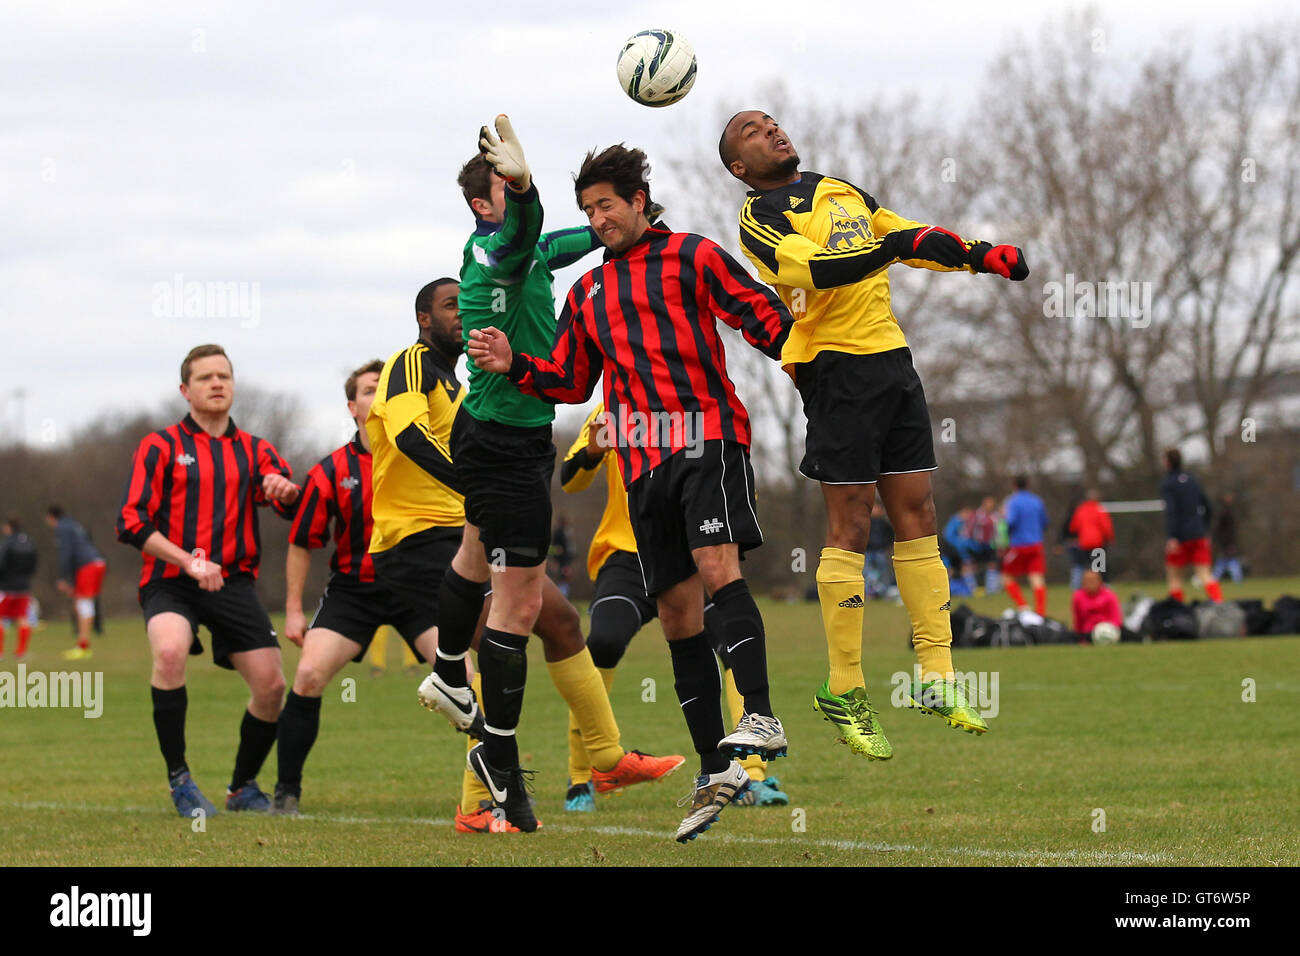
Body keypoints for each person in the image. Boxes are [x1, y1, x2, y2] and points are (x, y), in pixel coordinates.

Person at [469, 143, 794, 843]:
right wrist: (514, 362)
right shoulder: (588, 292)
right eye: (587, 210)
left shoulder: (694, 258)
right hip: (643, 465)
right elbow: (570, 379)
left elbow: (757, 315)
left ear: (639, 202)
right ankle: (714, 770)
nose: (598, 219)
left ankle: (760, 714)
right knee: (678, 616)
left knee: (716, 570)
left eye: (606, 205)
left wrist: (813, 361)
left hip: (706, 437)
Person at [719, 110, 1026, 756]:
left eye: (772, 121)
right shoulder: (759, 217)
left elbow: (906, 234)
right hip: (835, 369)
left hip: (892, 362)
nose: (772, 129)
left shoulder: (840, 190)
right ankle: (845, 688)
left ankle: (937, 675)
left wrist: (978, 256)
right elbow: (811, 272)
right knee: (853, 526)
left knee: (918, 512)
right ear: (739, 167)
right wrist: (888, 249)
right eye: (752, 130)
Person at [421, 121, 678, 834]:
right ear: (485, 205)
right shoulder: (496, 249)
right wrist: (526, 190)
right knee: (521, 609)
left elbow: (561, 241)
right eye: (503, 187)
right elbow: (527, 228)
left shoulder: (520, 252)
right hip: (507, 444)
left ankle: (457, 680)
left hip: (503, 438)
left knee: (490, 573)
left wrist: (621, 225)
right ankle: (496, 766)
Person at [274, 358, 473, 816]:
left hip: (420, 593)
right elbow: (302, 542)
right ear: (353, 406)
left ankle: (494, 788)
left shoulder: (425, 458)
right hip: (354, 593)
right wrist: (292, 609)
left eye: (383, 388)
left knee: (466, 679)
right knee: (306, 676)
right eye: (368, 390)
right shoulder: (329, 472)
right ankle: (286, 793)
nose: (378, 395)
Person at [560, 403, 785, 811]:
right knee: (603, 642)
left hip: (689, 557)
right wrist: (594, 450)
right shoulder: (609, 408)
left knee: (730, 641)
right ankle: (583, 777)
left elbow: (736, 483)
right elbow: (570, 480)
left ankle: (751, 773)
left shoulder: (701, 405)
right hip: (627, 558)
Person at [116, 344, 299, 816]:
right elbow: (131, 522)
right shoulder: (160, 447)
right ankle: (180, 779)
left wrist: (285, 490)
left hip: (234, 583)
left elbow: (284, 498)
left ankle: (242, 788)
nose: (217, 384)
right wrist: (188, 561)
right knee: (171, 651)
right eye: (205, 378)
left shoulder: (255, 450)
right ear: (185, 390)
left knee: (272, 686)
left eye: (224, 376)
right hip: (170, 579)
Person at [1161, 448, 1222, 603]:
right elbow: (1207, 506)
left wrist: (1172, 536)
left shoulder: (1168, 484)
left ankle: (1177, 609)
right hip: (1198, 534)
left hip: (1180, 537)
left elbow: (1171, 511)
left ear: (1167, 462)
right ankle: (1219, 604)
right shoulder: (1192, 479)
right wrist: (1204, 529)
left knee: (1174, 576)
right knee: (1205, 574)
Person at [45, 506, 106, 660]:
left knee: (82, 604)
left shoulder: (62, 528)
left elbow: (66, 552)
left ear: (51, 517)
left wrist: (63, 578)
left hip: (87, 566)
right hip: (97, 562)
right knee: (86, 603)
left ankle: (83, 646)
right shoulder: (74, 524)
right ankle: (84, 643)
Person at [1002, 475, 1049, 617]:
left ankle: (1023, 606)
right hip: (1036, 545)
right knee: (1036, 577)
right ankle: (1040, 612)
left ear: (1014, 485)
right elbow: (1045, 522)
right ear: (1028, 484)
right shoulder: (1037, 501)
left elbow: (1011, 522)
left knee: (1007, 576)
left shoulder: (1013, 502)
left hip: (1019, 545)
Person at [0, 515, 38, 661]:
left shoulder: (7, 543)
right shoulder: (29, 542)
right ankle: (21, 651)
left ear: (8, 527)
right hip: (24, 586)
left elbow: (1, 563)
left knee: (1, 617)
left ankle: (0, 652)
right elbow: (34, 563)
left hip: (7, 586)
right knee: (22, 617)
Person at [1069, 570, 1135, 643]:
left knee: (1128, 634)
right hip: (1088, 632)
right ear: (1083, 582)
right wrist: (1079, 636)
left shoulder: (1109, 595)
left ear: (1099, 581)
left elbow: (1116, 618)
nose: (1091, 583)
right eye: (1088, 580)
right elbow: (1078, 620)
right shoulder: (1078, 596)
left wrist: (1106, 629)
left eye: (1093, 580)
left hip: (1109, 629)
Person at [1067, 489, 1114, 585]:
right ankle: (1103, 586)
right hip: (1097, 543)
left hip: (1084, 544)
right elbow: (1106, 527)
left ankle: (1085, 586)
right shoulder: (1100, 509)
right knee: (1099, 567)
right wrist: (1110, 539)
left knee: (1086, 567)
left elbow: (1073, 527)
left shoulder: (1081, 510)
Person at [1212, 493, 1243, 583]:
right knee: (1228, 559)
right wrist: (1229, 542)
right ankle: (1236, 578)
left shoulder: (1230, 512)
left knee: (1226, 559)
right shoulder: (1224, 513)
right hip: (1226, 541)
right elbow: (1220, 529)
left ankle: (1217, 577)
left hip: (1228, 540)